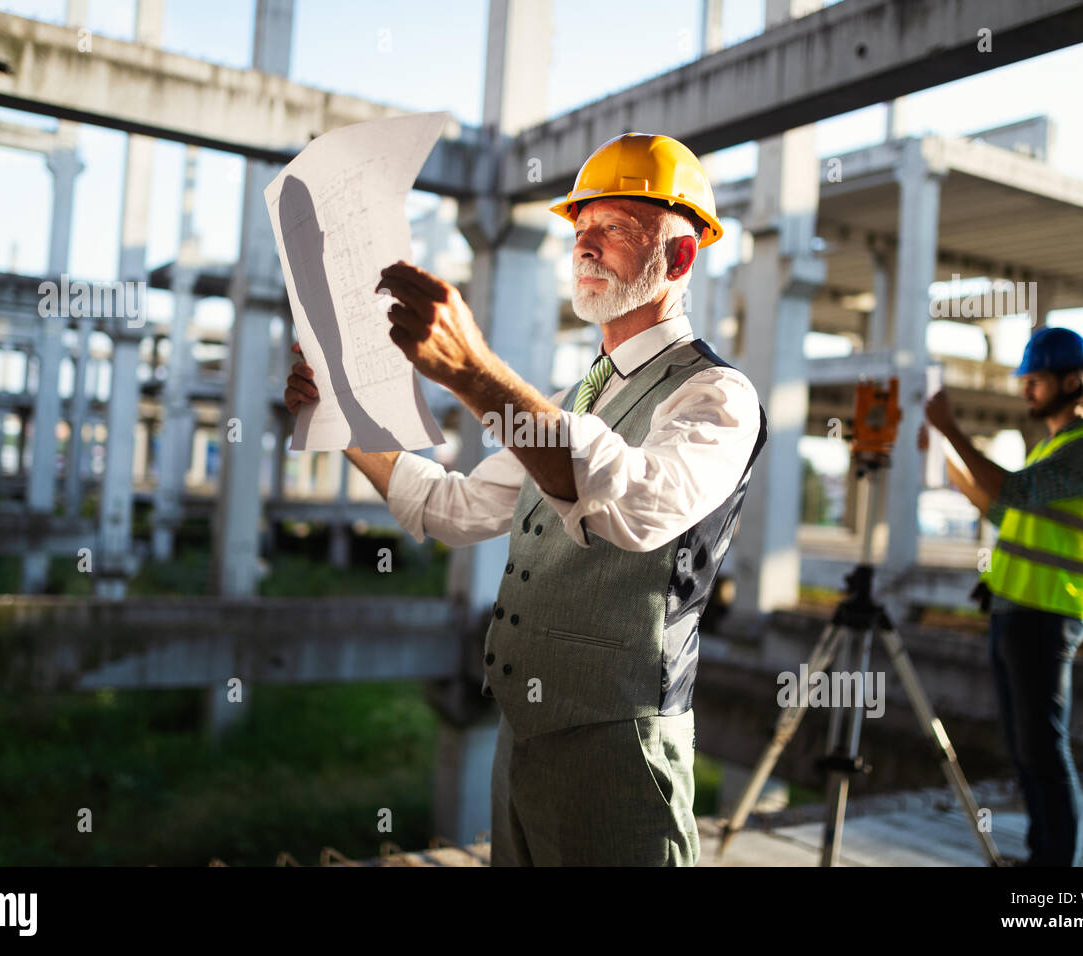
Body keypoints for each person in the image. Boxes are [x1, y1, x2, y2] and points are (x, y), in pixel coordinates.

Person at [284, 132, 767, 865]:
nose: (587, 246)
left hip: (620, 747)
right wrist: (345, 424)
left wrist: (473, 372)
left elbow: (637, 506)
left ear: (679, 257)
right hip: (525, 735)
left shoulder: (717, 396)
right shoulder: (576, 400)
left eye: (614, 229)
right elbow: (454, 507)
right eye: (580, 229)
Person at [921, 326, 1083, 866]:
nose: (1026, 391)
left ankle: (1055, 874)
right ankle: (1042, 862)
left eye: (1035, 381)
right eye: (1026, 381)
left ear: (1072, 380)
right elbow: (1002, 510)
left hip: (1048, 616)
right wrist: (949, 457)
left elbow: (1012, 490)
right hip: (1016, 614)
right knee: (1025, 749)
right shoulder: (1054, 448)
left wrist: (952, 427)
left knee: (1044, 750)